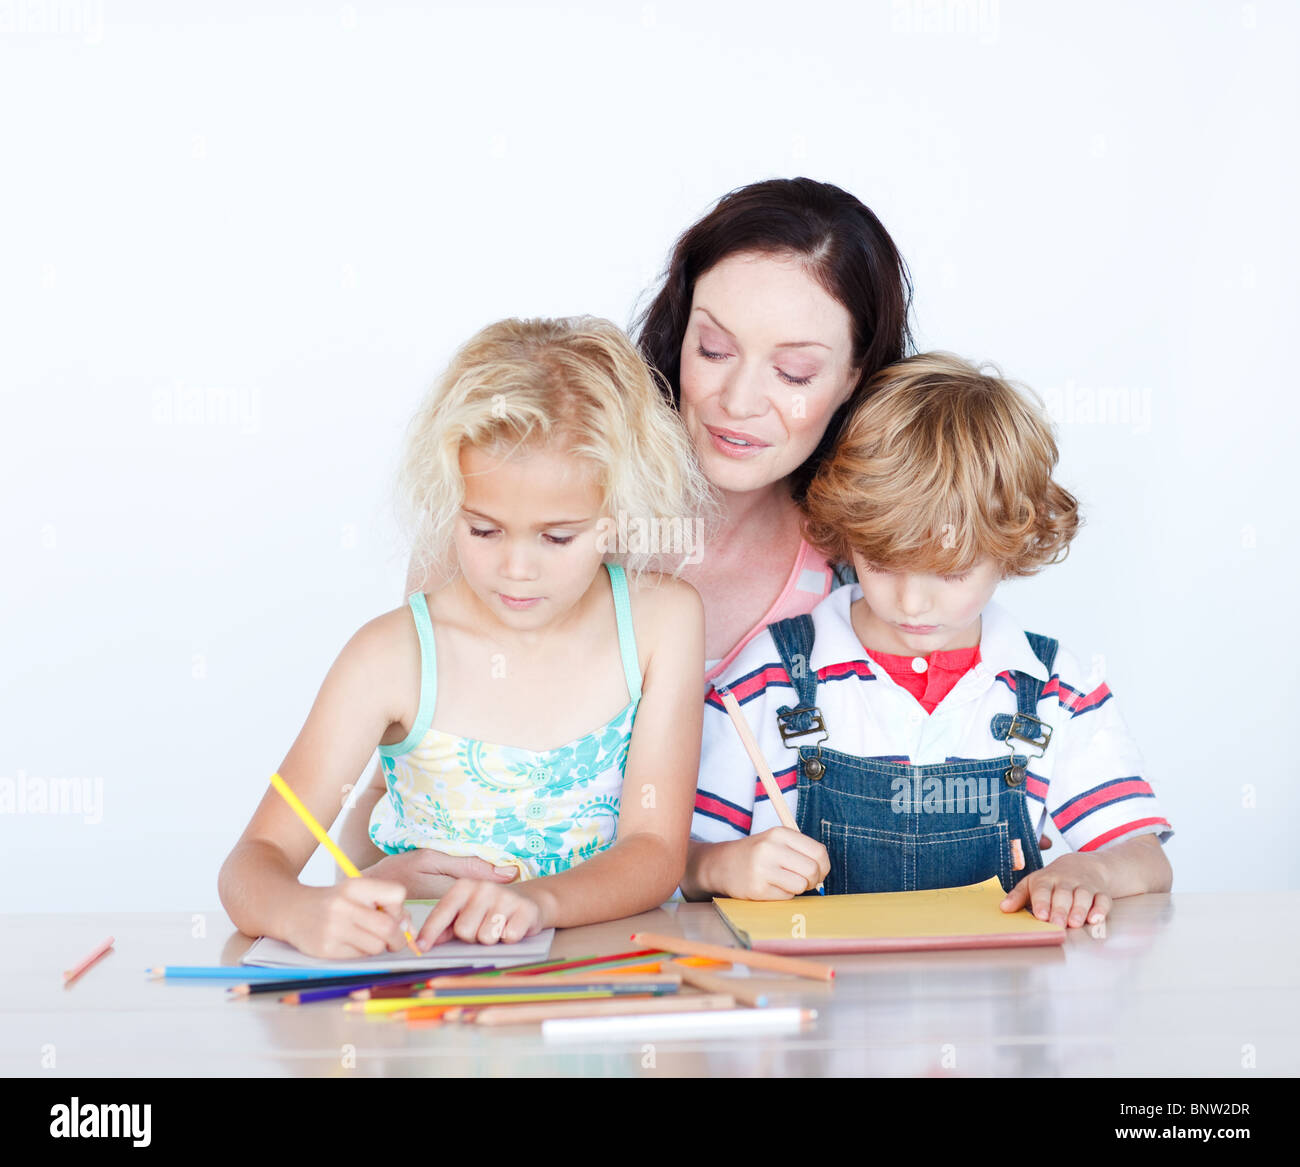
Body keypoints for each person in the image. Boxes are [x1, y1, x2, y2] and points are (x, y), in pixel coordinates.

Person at [335, 177, 915, 891]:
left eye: (793, 370)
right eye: (713, 349)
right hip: (513, 952)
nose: (737, 401)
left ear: (857, 375)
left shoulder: (863, 579)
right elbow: (382, 814)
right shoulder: (517, 524)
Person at [218, 317, 711, 958]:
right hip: (431, 991)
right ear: (452, 499)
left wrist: (538, 903)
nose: (516, 568)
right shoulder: (390, 658)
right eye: (483, 529)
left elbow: (654, 851)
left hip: (600, 982)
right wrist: (300, 911)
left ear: (618, 509)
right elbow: (252, 864)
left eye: (558, 537)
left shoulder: (661, 622)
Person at [682, 353, 1173, 927]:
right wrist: (719, 868)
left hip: (1000, 1006)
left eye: (952, 571)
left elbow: (1146, 858)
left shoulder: (1052, 689)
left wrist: (1092, 873)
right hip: (822, 1004)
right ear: (847, 533)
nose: (912, 603)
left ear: (1013, 544)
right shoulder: (768, 676)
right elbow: (682, 862)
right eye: (884, 563)